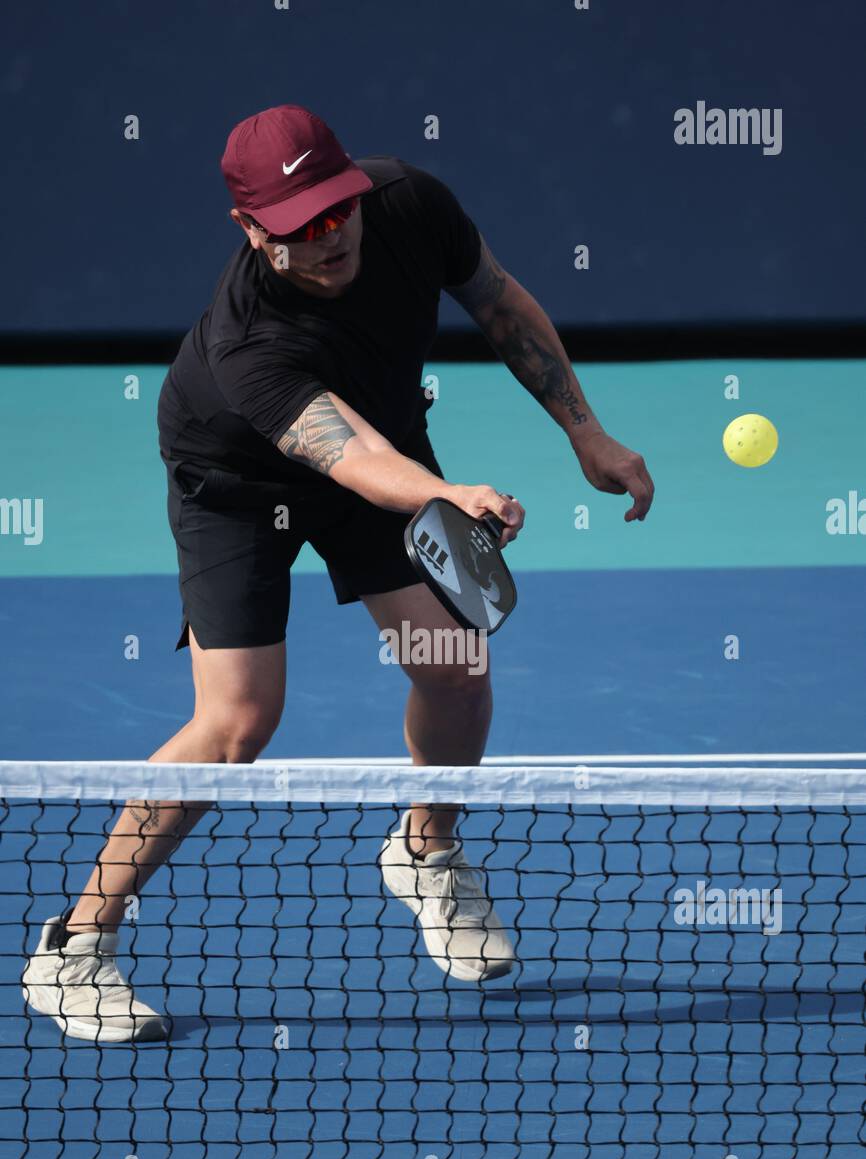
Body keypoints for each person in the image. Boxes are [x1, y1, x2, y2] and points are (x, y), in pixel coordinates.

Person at [23, 105, 654, 1042]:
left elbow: (501, 302)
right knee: (237, 721)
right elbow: (348, 455)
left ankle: (425, 851)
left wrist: (584, 429)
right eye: (299, 228)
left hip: (384, 450)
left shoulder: (408, 204)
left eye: (339, 210)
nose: (330, 238)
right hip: (236, 481)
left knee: (453, 666)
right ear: (250, 230)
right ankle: (72, 947)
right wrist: (448, 495)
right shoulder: (251, 342)